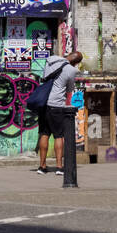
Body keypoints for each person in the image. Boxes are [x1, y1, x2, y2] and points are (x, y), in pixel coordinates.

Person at [45, 51, 83, 188]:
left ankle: (42, 165)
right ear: (76, 62)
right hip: (56, 104)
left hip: (43, 101)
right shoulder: (70, 70)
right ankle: (59, 167)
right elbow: (70, 88)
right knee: (59, 135)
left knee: (44, 133)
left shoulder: (51, 60)